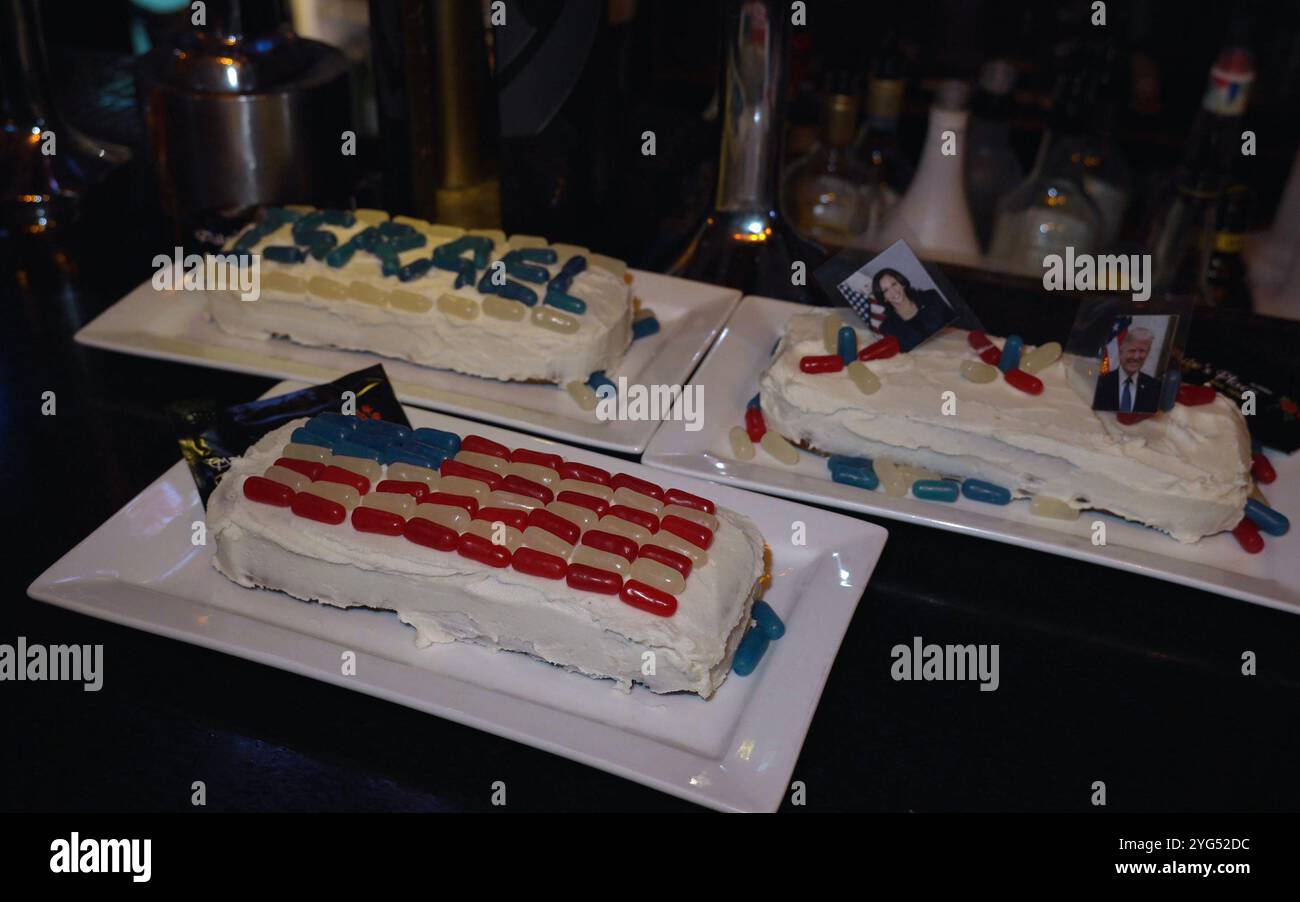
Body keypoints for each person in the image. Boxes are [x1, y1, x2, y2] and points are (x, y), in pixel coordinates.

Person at [871, 268, 953, 351]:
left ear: (902, 284)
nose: (893, 291)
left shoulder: (931, 297)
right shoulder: (887, 328)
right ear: (884, 298)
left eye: (894, 284)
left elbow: (956, 323)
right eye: (885, 290)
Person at [1092, 326, 1163, 412]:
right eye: (1132, 350)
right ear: (1121, 351)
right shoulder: (1101, 384)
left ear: (1148, 353)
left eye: (1142, 351)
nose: (1136, 357)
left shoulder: (1156, 388)